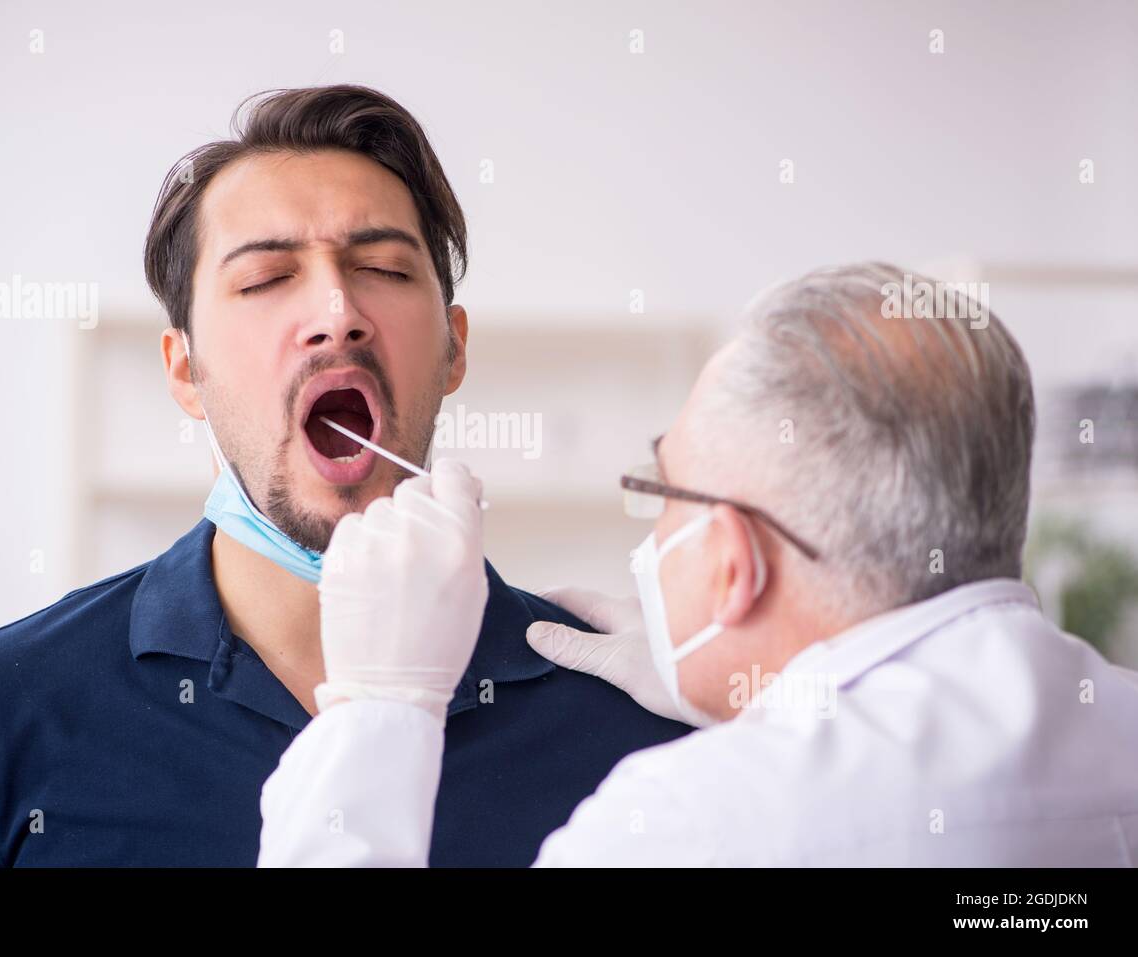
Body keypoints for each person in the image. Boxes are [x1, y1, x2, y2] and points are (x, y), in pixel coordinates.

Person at [0, 85, 689, 868]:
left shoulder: (635, 722)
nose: (337, 315)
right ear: (184, 370)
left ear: (454, 345)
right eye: (265, 278)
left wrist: (768, 712)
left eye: (385, 270)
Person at [258, 262, 1138, 867]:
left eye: (663, 487)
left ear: (733, 565)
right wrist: (759, 692)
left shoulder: (680, 826)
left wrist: (378, 712)